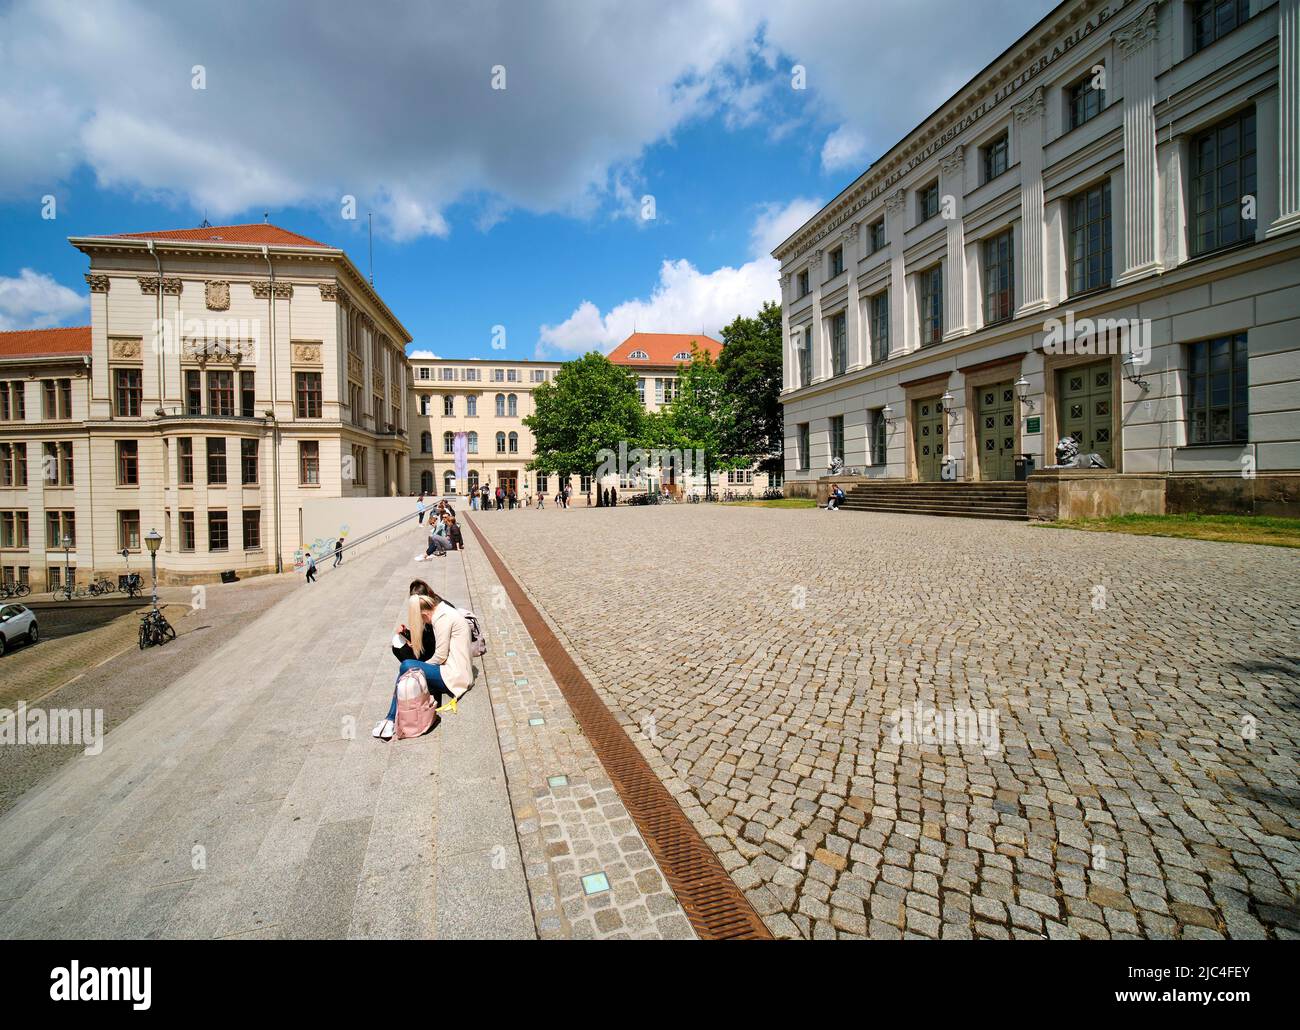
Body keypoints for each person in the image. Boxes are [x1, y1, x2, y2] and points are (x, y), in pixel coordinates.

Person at [373, 581, 474, 740]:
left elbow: (440, 656)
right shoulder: (442, 610)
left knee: (407, 666)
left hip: (456, 675)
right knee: (409, 668)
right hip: (452, 669)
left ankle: (390, 719)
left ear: (425, 614)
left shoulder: (442, 618)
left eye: (422, 619)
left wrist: (418, 669)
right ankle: (390, 719)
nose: (424, 623)